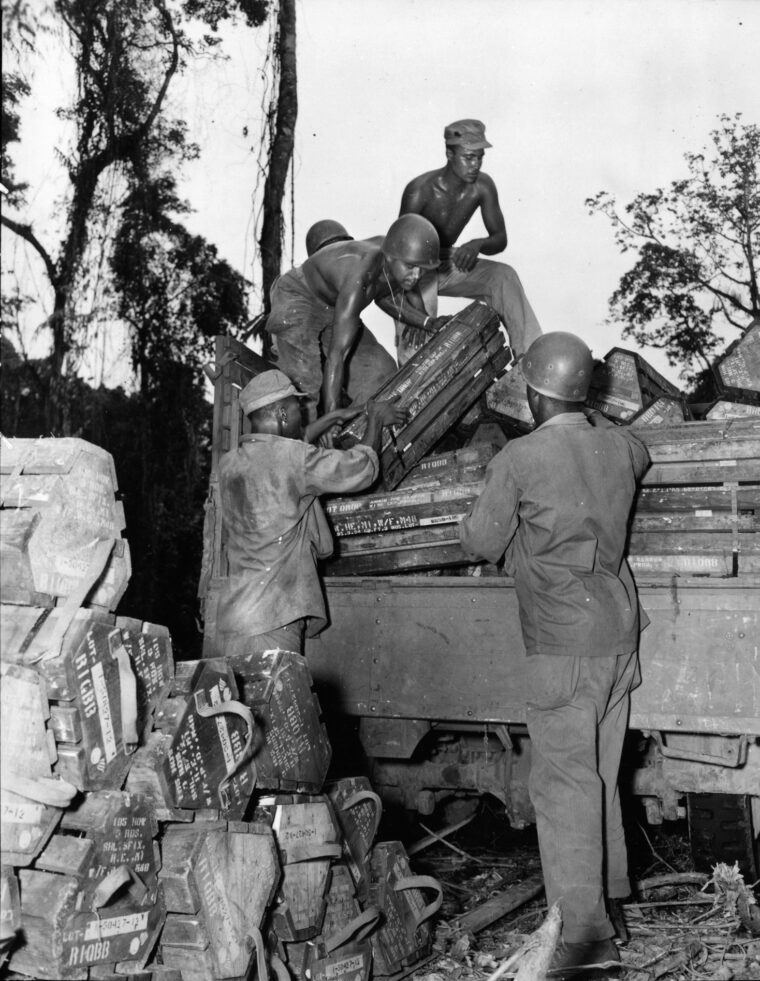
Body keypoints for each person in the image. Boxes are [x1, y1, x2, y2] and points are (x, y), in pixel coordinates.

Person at [459, 332, 650, 980]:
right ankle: (612, 899)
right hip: (618, 637)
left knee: (565, 785)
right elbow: (639, 450)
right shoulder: (622, 447)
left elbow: (483, 540)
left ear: (536, 395)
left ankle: (588, 940)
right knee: (601, 772)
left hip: (562, 643)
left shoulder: (520, 457)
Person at [216, 369, 405, 657]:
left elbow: (286, 450)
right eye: (296, 409)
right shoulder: (293, 459)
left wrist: (337, 416)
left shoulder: (229, 465)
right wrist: (375, 420)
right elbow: (360, 469)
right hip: (273, 619)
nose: (300, 416)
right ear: (281, 413)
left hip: (235, 619)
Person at [265, 214, 449, 425]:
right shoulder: (360, 277)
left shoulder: (397, 251)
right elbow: (337, 356)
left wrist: (427, 322)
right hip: (299, 297)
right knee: (304, 388)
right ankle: (308, 449)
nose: (416, 275)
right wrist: (331, 420)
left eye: (422, 269)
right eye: (411, 268)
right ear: (390, 258)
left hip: (336, 305)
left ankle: (359, 442)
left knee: (382, 373)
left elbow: (385, 294)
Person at [396, 118, 542, 363]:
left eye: (480, 157)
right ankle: (413, 388)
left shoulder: (482, 186)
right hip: (413, 271)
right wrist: (419, 318)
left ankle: (532, 360)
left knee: (503, 276)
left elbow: (500, 239)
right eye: (468, 157)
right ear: (449, 154)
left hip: (447, 259)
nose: (475, 165)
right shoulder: (419, 190)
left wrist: (477, 244)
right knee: (417, 342)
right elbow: (399, 260)